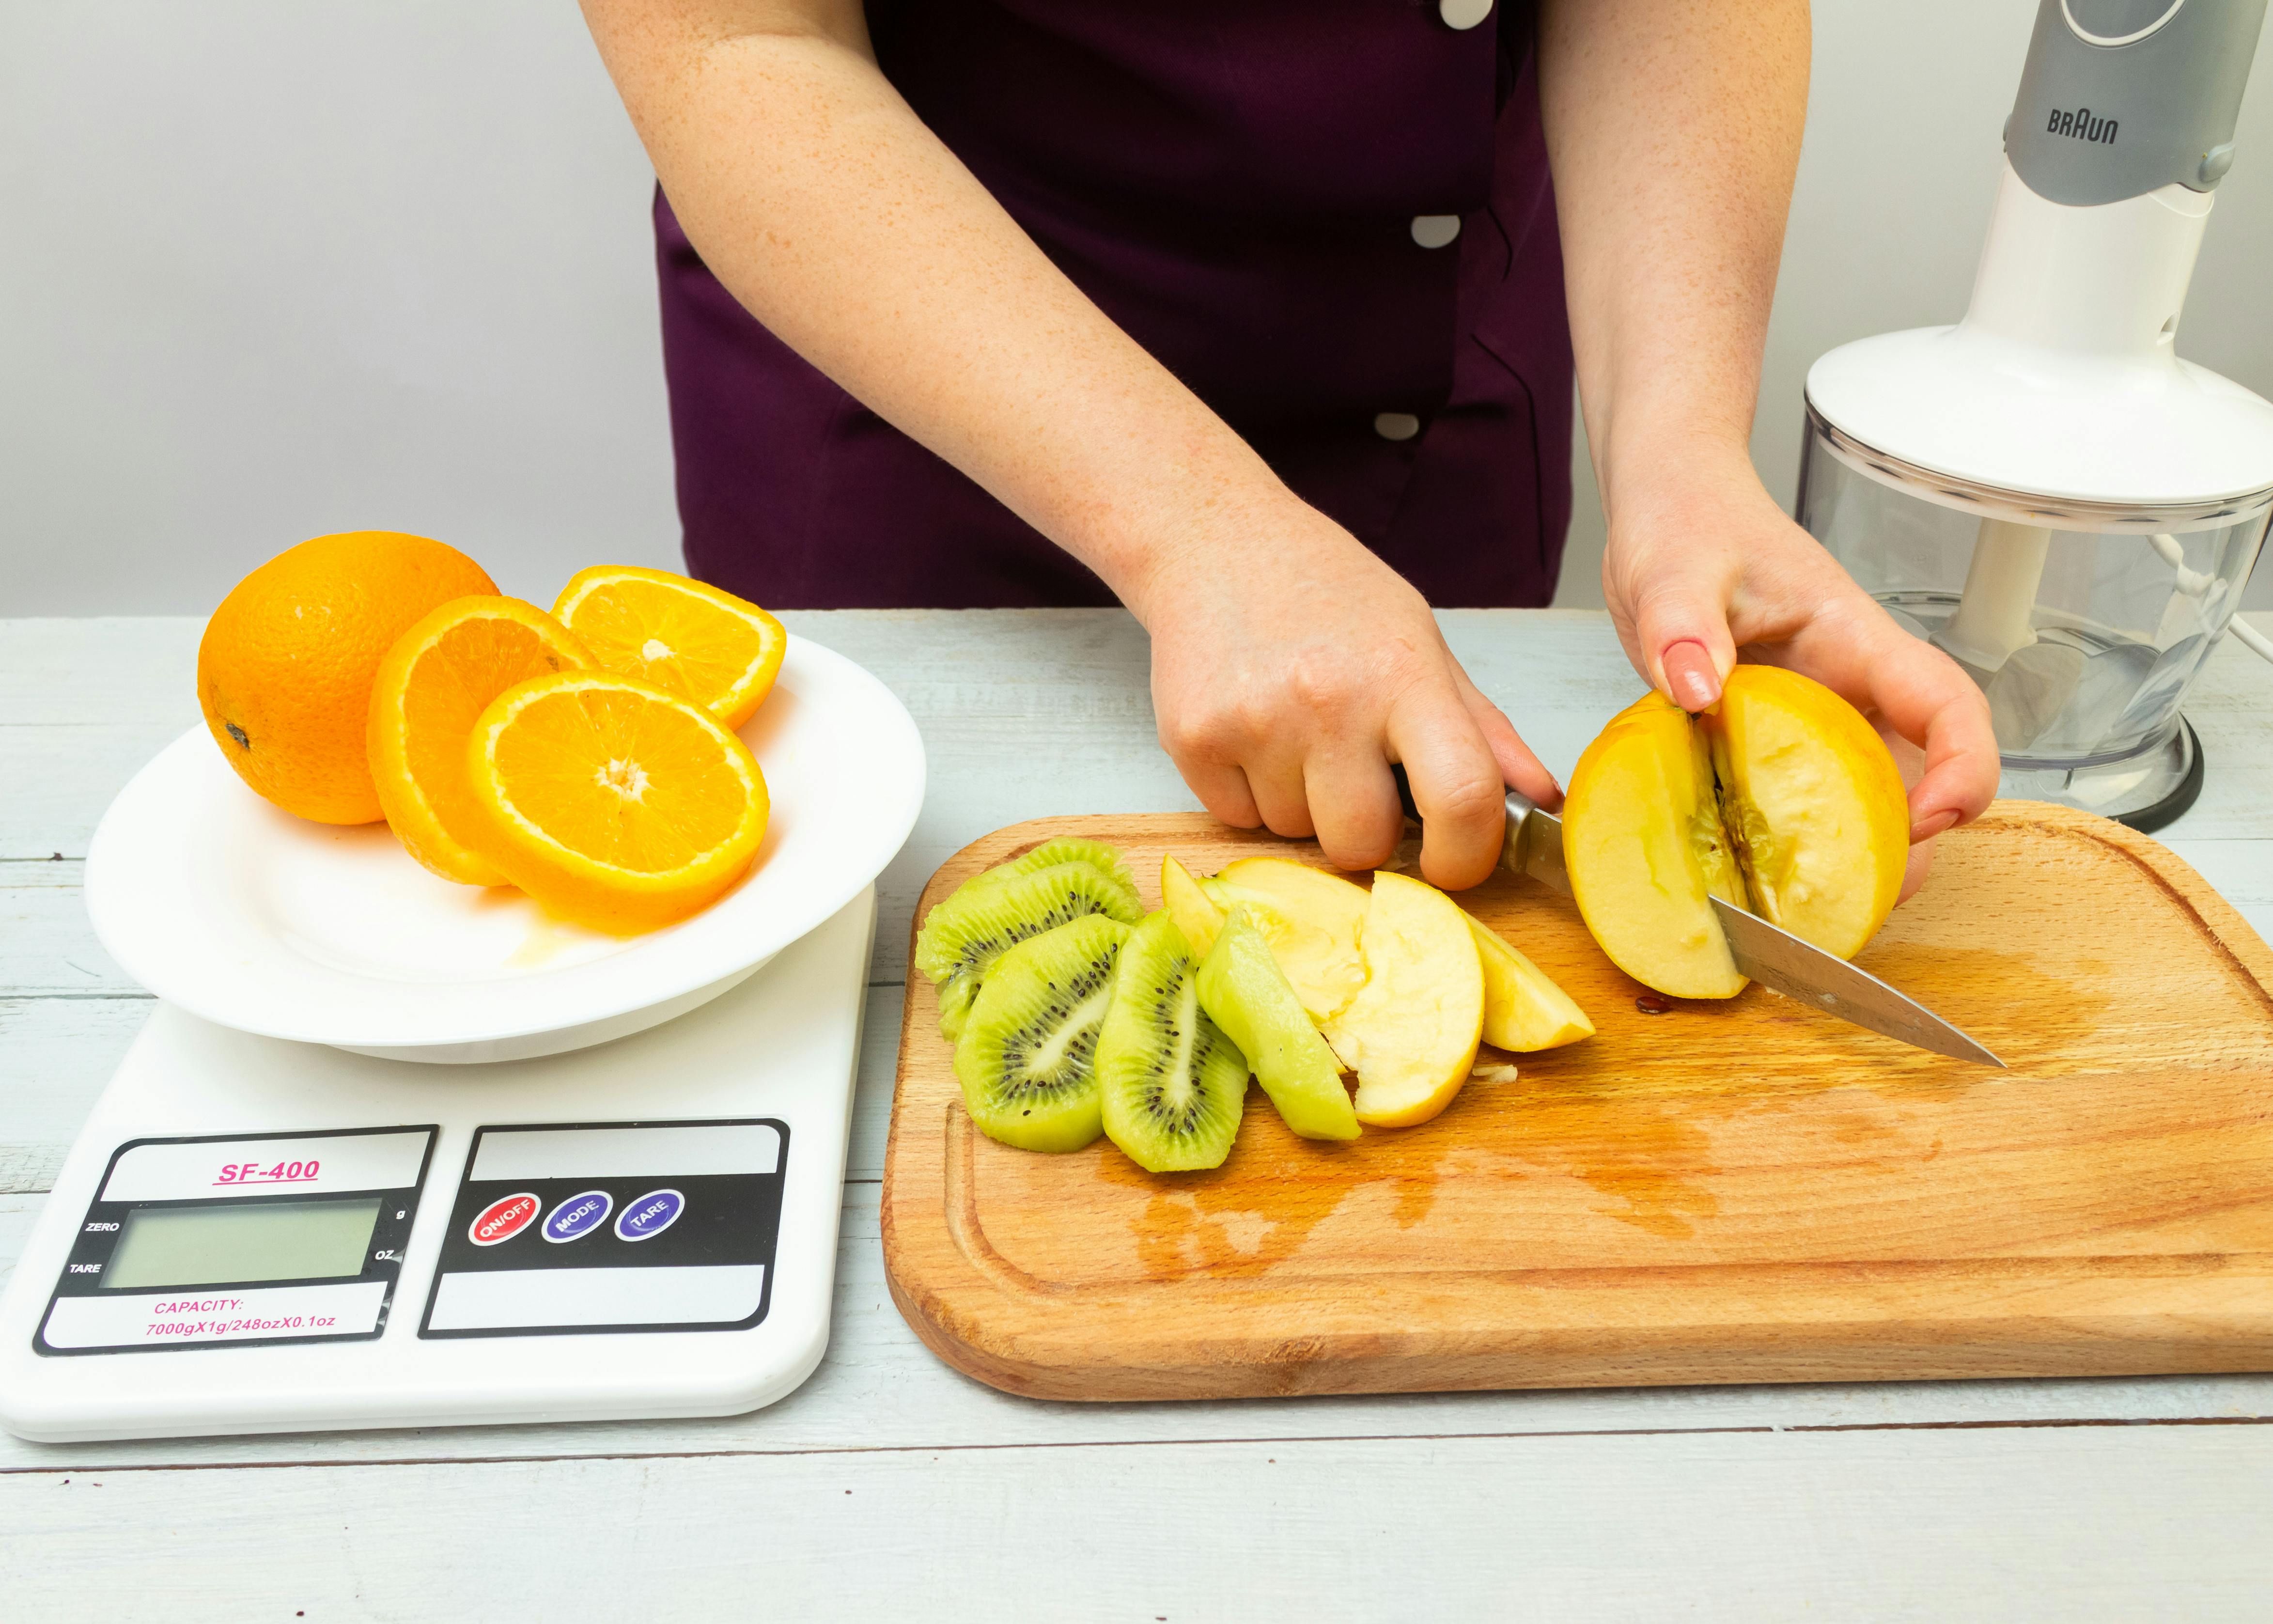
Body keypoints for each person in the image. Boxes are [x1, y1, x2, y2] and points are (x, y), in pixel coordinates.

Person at [579, 0, 1998, 893]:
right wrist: (1200, 533)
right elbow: (732, 44)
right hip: (927, 419)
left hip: (1424, 383)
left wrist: (1686, 454)